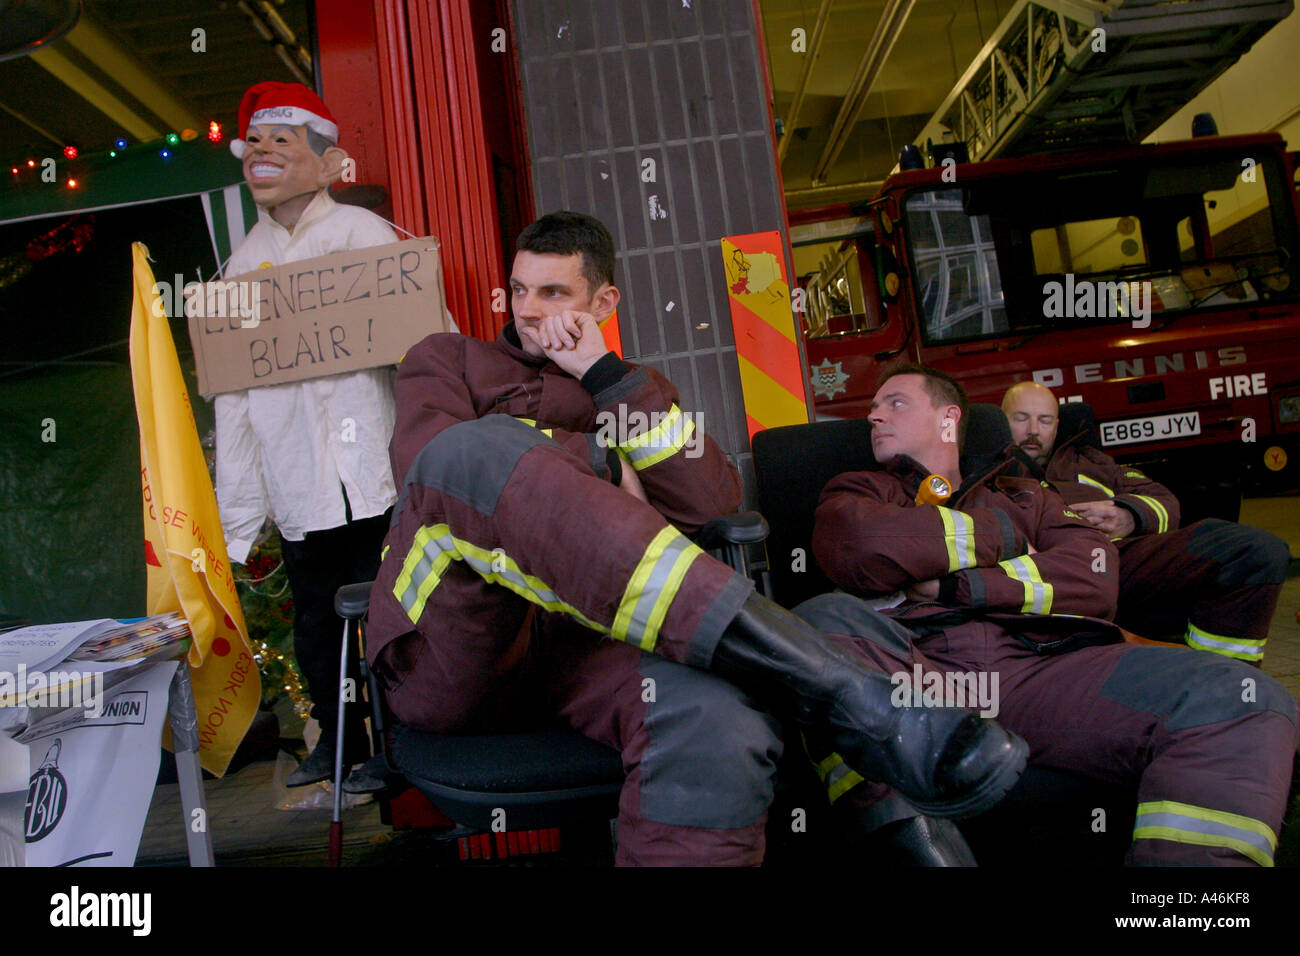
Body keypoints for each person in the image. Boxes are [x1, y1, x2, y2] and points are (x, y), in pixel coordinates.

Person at [362, 212, 1028, 866]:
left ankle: (836, 696)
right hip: (460, 646)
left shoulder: (632, 388)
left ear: (603, 303)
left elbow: (710, 503)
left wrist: (602, 374)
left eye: (554, 293)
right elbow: (429, 463)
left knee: (714, 708)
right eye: (519, 290)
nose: (529, 310)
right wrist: (602, 461)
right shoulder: (446, 359)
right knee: (473, 452)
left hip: (595, 643)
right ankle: (835, 685)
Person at [810, 364, 1297, 865]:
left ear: (948, 418)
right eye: (874, 407)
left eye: (895, 403)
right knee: (820, 623)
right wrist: (1006, 539)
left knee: (1245, 696)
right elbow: (862, 544)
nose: (874, 416)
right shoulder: (858, 491)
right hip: (921, 677)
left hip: (1037, 669)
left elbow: (1094, 576)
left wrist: (957, 584)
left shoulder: (1027, 495)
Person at [216, 82, 398, 785]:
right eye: (254, 143)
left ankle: (406, 745)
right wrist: (239, 516)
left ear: (327, 163)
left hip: (377, 471)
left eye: (281, 140)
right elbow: (234, 399)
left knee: (397, 611)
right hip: (301, 481)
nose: (262, 152)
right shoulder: (240, 267)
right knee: (319, 623)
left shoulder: (365, 237)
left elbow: (424, 350)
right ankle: (341, 742)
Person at [1002, 380, 1289, 664]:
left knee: (1255, 549)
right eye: (1021, 418)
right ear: (1001, 422)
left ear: (1056, 426)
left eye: (1045, 420)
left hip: (1124, 560)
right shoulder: (994, 474)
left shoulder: (1092, 464)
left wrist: (1130, 514)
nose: (1033, 430)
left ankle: (1225, 675)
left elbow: (1165, 501)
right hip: (1059, 574)